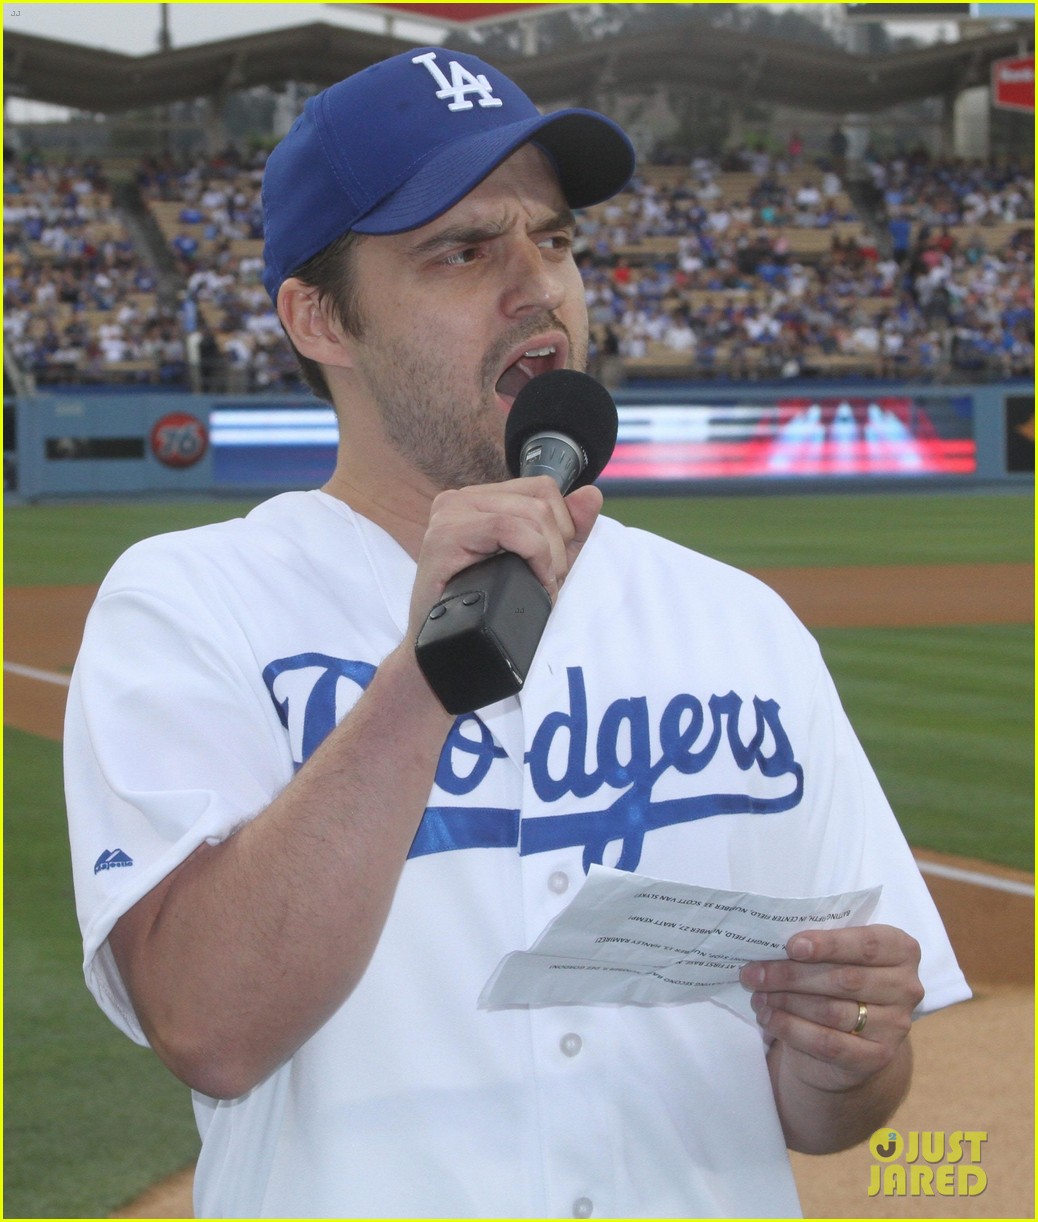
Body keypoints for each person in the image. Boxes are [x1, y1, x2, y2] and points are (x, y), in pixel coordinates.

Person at [65, 47, 970, 1219]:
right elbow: (210, 1027)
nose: (538, 285)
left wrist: (838, 1059)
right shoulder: (192, 604)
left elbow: (837, 1103)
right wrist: (424, 679)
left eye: (554, 239)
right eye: (463, 249)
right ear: (318, 317)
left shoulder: (741, 625)